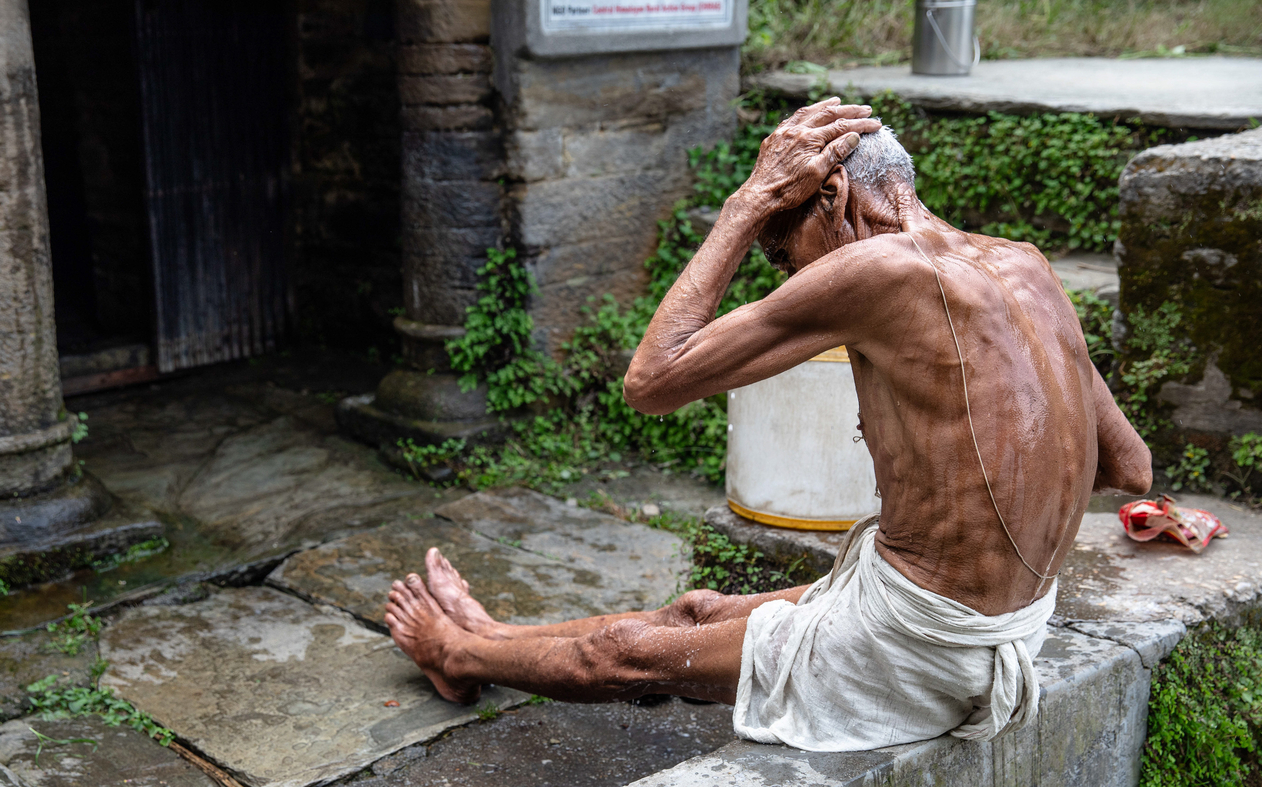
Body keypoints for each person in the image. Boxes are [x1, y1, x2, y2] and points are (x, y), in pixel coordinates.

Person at [383, 97, 1152, 751]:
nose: (789, 275)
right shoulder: (1023, 262)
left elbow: (650, 380)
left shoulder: (883, 268)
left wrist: (746, 203)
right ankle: (486, 637)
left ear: (835, 195)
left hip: (925, 647)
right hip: (1005, 629)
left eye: (783, 253)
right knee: (695, 612)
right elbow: (1130, 465)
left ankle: (454, 650)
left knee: (624, 655)